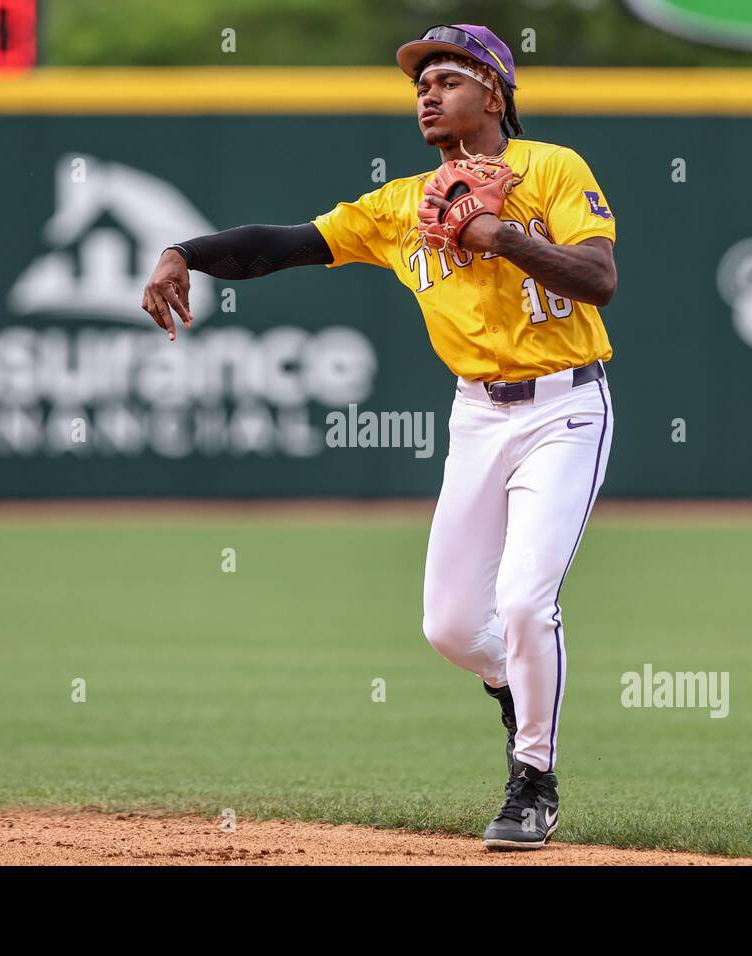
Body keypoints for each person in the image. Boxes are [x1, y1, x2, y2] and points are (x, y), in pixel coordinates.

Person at [142, 23, 617, 850]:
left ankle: (533, 778)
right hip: (476, 414)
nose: (427, 94)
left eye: (447, 79)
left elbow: (601, 279)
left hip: (565, 407)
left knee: (523, 600)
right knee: (449, 627)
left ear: (494, 93)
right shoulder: (400, 205)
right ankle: (521, 689)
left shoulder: (552, 168)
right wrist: (184, 252)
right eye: (419, 85)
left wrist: (502, 234)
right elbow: (283, 246)